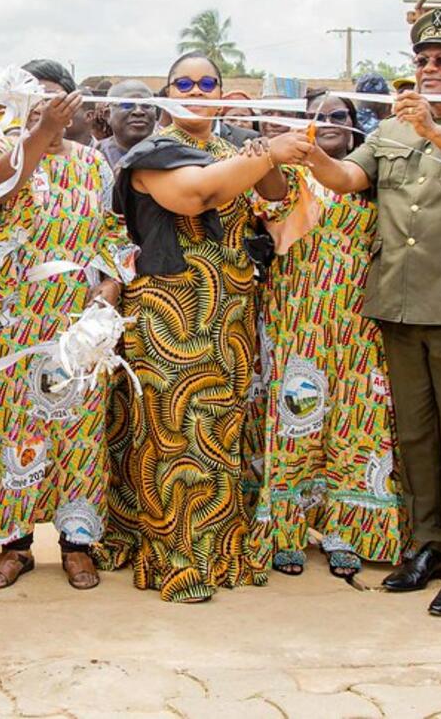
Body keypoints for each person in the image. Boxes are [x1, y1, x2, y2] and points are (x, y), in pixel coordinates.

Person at [289, 11, 441, 616]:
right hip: (400, 298)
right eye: (423, 60)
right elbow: (348, 177)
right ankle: (429, 546)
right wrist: (308, 155)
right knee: (417, 437)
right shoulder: (394, 130)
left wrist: (435, 129)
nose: (429, 69)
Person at [101, 52, 301, 603]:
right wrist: (265, 157)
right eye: (183, 82)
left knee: (223, 432)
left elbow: (278, 199)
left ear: (220, 89)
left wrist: (269, 159)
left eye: (206, 82)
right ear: (167, 92)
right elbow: (198, 195)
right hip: (171, 316)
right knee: (174, 436)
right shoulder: (153, 152)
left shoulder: (235, 150)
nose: (196, 89)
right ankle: (179, 564)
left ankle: (225, 551)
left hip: (231, 313)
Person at [0, 60, 133, 592]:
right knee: (14, 425)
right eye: (37, 98)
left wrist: (111, 284)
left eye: (57, 99)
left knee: (78, 431)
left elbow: (110, 229)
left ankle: (77, 545)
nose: (48, 106)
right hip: (13, 317)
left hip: (76, 320)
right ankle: (15, 545)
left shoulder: (92, 164)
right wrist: (41, 131)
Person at [250, 92, 407, 580]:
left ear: (355, 124)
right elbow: (270, 195)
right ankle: (287, 531)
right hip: (297, 318)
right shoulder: (292, 178)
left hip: (360, 321)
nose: (327, 124)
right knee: (296, 421)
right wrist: (271, 148)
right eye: (315, 117)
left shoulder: (372, 179)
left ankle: (346, 531)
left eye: (337, 116)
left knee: (357, 425)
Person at [99, 79, 158, 169]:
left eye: (146, 105)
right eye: (127, 105)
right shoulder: (93, 157)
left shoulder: (170, 154)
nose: (138, 111)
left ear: (156, 113)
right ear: (108, 115)